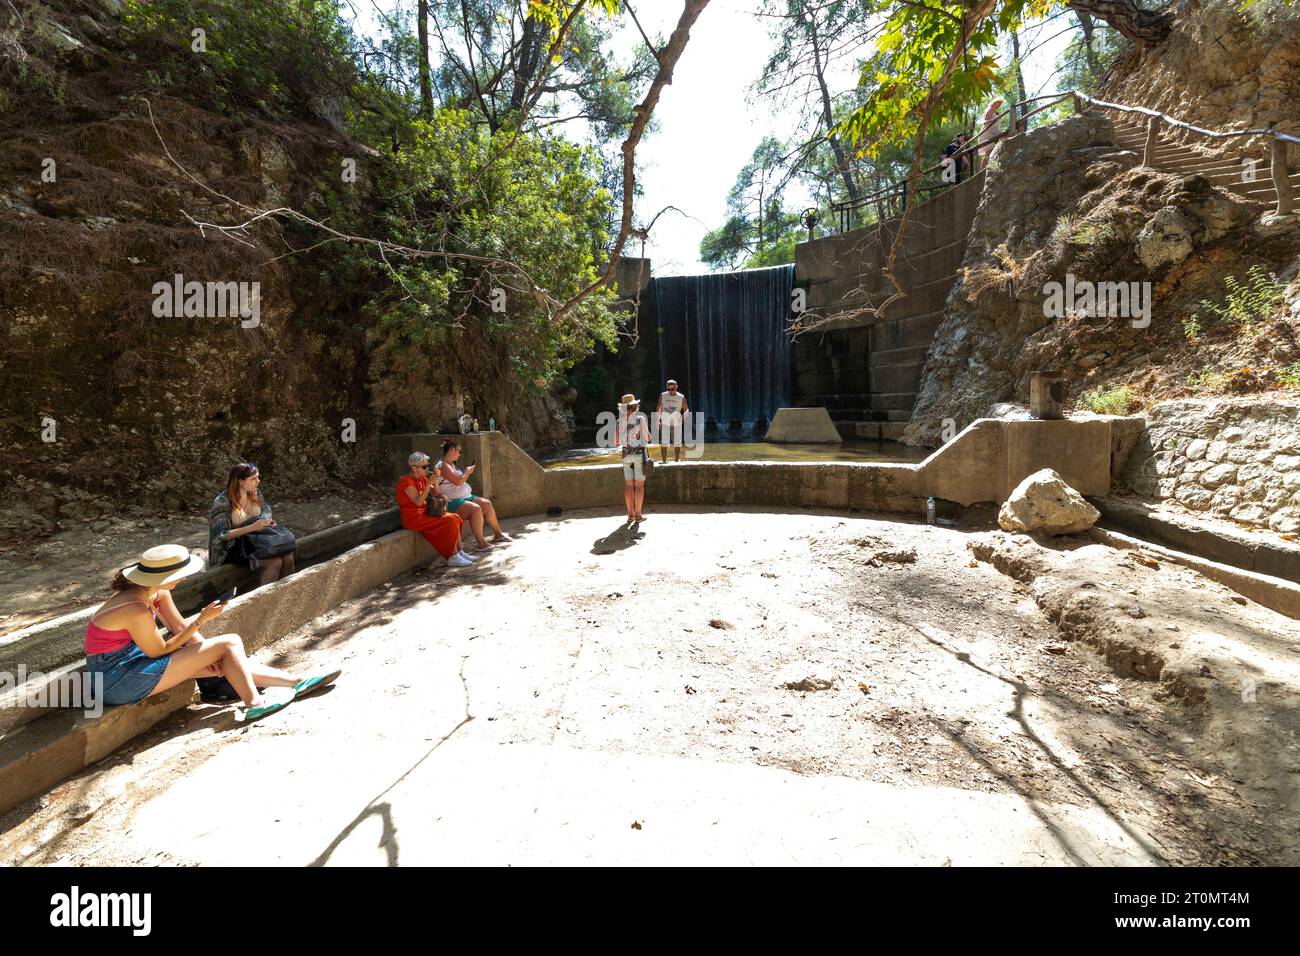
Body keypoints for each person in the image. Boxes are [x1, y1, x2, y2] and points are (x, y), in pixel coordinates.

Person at [84, 544, 340, 720]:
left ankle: (297, 682)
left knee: (226, 655)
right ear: (163, 576)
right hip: (115, 680)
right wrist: (202, 621)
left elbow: (178, 627)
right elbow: (157, 651)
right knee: (230, 643)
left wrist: (209, 654)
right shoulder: (135, 608)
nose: (183, 579)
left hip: (134, 665)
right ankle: (255, 705)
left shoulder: (156, 592)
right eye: (180, 574)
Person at [209, 463, 295, 587]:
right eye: (253, 479)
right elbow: (221, 535)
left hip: (258, 540)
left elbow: (266, 509)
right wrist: (252, 527)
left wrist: (267, 521)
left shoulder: (255, 493)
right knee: (274, 562)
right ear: (240, 482)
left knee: (288, 558)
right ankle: (266, 597)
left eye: (258, 477)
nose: (258, 481)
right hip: (234, 546)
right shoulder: (222, 502)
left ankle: (289, 592)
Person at [397, 452, 475, 568]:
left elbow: (437, 493)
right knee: (450, 521)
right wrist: (429, 483)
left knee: (455, 517)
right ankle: (453, 556)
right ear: (414, 468)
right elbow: (418, 502)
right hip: (413, 518)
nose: (427, 469)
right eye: (424, 467)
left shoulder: (422, 477)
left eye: (428, 466)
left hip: (424, 513)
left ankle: (459, 551)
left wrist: (435, 479)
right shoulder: (406, 481)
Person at [435, 438, 509, 551]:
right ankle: (481, 544)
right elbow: (458, 482)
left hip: (464, 497)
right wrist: (467, 472)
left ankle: (498, 534)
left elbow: (459, 481)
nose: (460, 454)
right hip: (451, 501)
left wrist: (466, 472)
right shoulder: (442, 465)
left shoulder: (451, 464)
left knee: (486, 504)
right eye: (459, 451)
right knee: (475, 509)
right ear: (451, 450)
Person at [617, 392, 651, 522]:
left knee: (629, 485)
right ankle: (638, 515)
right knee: (639, 485)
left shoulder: (619, 422)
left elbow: (616, 441)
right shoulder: (640, 419)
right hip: (638, 455)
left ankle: (630, 515)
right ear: (635, 406)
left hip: (626, 455)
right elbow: (647, 437)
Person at [656, 379, 689, 464]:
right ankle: (664, 461)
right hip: (665, 421)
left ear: (676, 387)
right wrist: (658, 420)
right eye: (669, 389)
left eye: (672, 389)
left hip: (676, 422)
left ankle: (676, 461)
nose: (670, 391)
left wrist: (682, 417)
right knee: (664, 442)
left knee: (677, 442)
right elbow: (659, 408)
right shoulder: (663, 395)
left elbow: (686, 410)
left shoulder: (681, 397)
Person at [977, 99, 1006, 170]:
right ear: (993, 103)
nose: (998, 105)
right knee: (989, 153)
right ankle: (981, 171)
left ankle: (989, 168)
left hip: (995, 132)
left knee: (1005, 135)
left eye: (1000, 104)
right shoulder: (990, 110)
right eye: (997, 103)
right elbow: (985, 123)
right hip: (987, 134)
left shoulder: (997, 112)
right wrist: (995, 119)